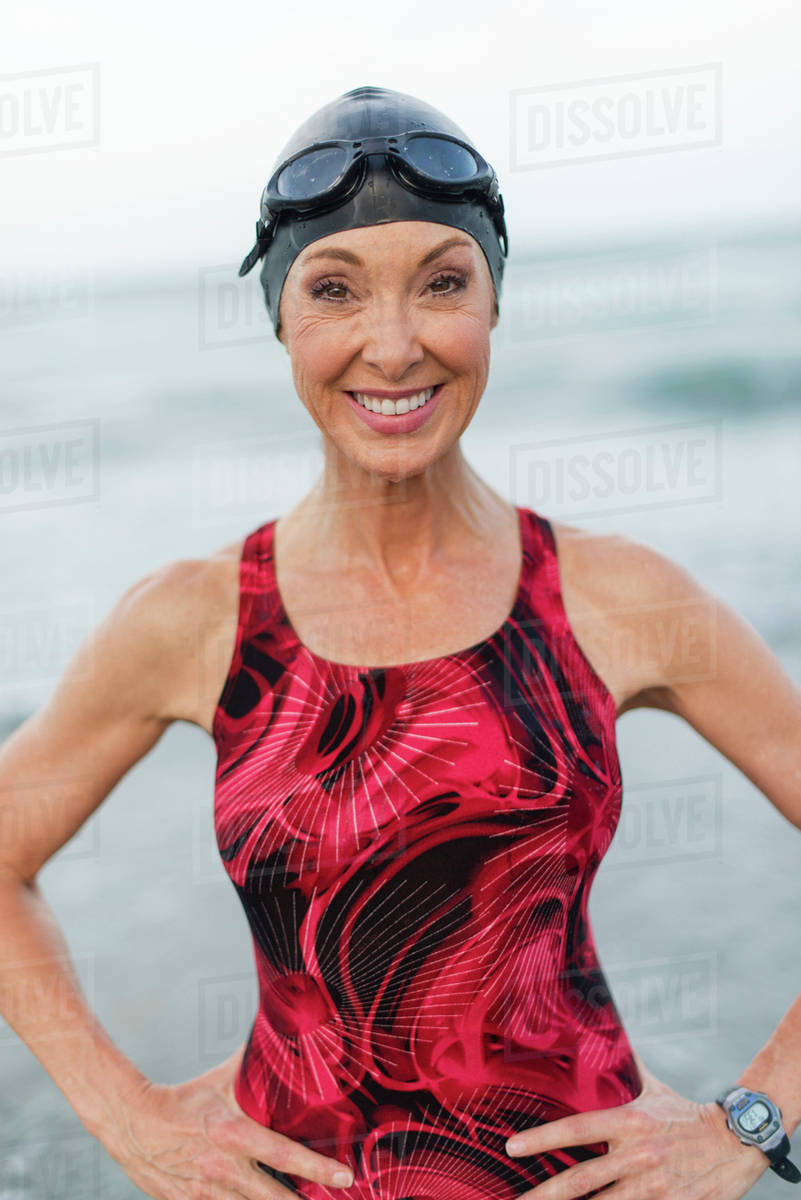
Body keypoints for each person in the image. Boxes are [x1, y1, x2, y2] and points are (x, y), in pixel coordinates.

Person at [0, 85, 799, 1200]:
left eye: (443, 282)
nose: (393, 343)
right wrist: (128, 1119)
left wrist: (749, 1121)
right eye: (334, 290)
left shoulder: (611, 596)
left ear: (493, 302)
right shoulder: (198, 619)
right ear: (280, 316)